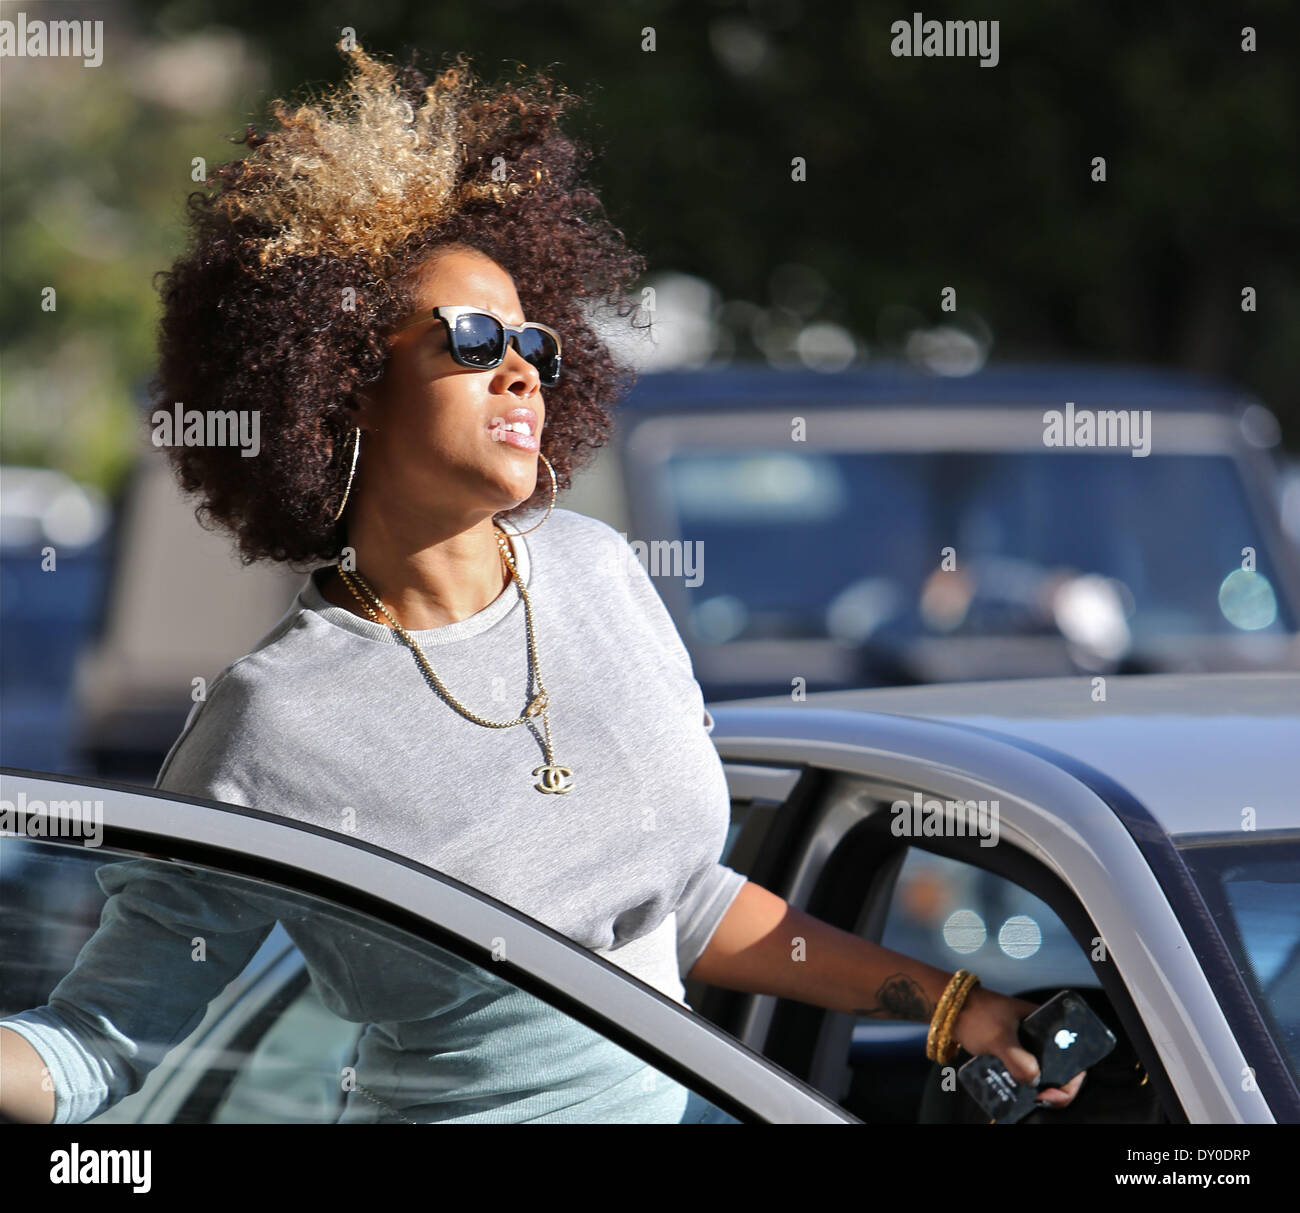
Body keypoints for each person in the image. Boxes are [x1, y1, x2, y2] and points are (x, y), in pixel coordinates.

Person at [0, 44, 1084, 1124]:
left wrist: (956, 1004)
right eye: (472, 339)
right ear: (341, 385)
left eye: (536, 342)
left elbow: (678, 906)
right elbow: (96, 1043)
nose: (520, 366)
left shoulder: (600, 572)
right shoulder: (273, 719)